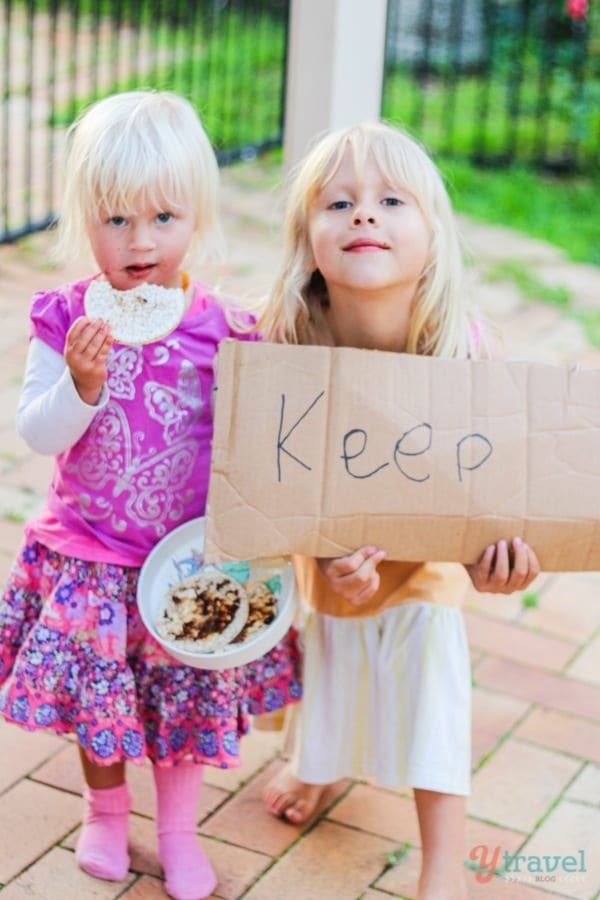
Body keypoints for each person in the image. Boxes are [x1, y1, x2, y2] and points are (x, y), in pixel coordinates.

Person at [0, 90, 300, 900]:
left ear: (196, 214)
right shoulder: (65, 319)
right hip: (90, 552)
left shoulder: (227, 329)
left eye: (163, 217)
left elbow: (262, 435)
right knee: (99, 697)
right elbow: (37, 432)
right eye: (116, 220)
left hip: (187, 561)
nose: (140, 243)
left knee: (182, 701)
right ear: (83, 218)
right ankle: (103, 814)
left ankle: (176, 833)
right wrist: (82, 383)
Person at [259, 121, 540, 900]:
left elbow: (499, 494)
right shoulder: (286, 340)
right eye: (339, 202)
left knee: (430, 680)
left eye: (390, 201)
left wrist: (500, 557)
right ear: (306, 235)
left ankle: (443, 864)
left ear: (434, 235)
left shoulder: (462, 351)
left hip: (426, 564)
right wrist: (315, 557)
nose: (364, 216)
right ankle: (316, 766)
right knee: (336, 664)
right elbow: (265, 482)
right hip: (333, 551)